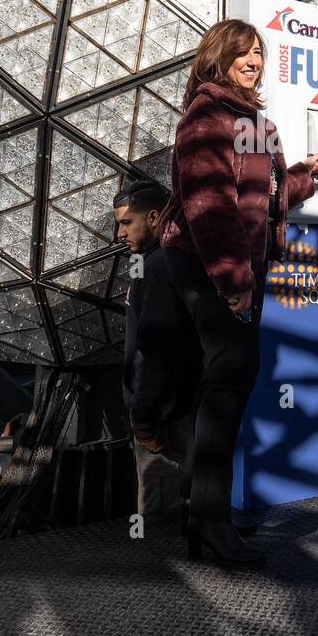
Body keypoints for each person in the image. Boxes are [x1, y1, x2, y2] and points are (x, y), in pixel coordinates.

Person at [155, 19, 318, 566]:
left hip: (236, 269)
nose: (253, 59)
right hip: (209, 269)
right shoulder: (210, 113)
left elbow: (263, 198)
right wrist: (233, 281)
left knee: (221, 390)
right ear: (218, 57)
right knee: (225, 389)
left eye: (258, 52)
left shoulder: (253, 120)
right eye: (242, 52)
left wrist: (305, 174)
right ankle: (208, 518)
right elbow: (210, 202)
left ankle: (204, 510)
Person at [114, 179, 200, 517]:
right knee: (179, 508)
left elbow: (156, 352)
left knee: (158, 517)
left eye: (125, 223)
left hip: (163, 419)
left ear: (153, 218)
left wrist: (143, 416)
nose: (119, 233)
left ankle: (162, 568)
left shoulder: (157, 271)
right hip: (175, 410)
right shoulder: (170, 262)